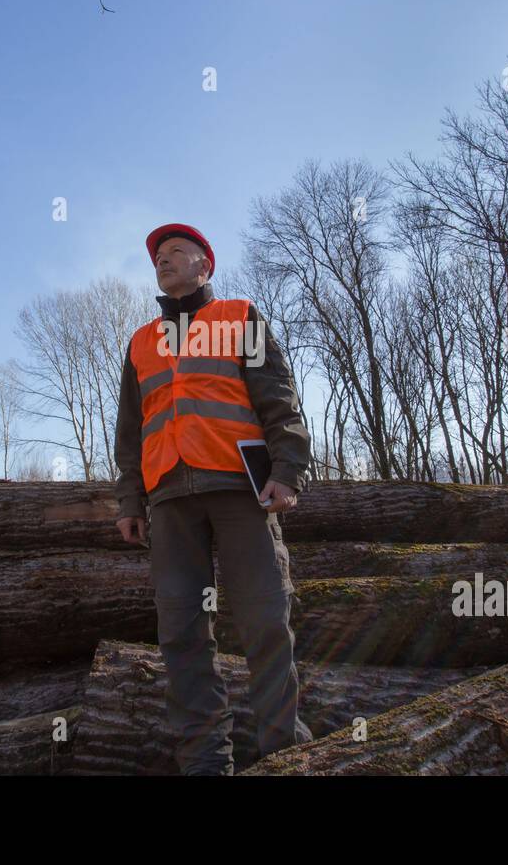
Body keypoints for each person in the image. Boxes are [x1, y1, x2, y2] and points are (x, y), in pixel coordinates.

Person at [113, 222, 315, 775]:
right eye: (158, 254)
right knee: (182, 634)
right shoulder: (140, 342)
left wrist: (289, 471)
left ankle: (286, 755)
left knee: (265, 620)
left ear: (206, 265)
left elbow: (279, 400)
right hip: (169, 500)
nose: (164, 259)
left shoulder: (239, 317)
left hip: (240, 490)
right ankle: (205, 765)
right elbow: (129, 432)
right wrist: (130, 501)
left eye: (177, 251)